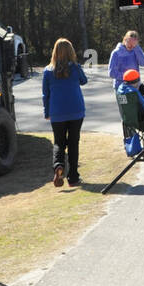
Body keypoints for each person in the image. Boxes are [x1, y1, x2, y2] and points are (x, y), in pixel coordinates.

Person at [43, 37, 88, 187]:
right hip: (76, 110)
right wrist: (77, 66)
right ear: (71, 52)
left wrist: (47, 112)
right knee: (73, 143)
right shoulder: (75, 67)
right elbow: (84, 81)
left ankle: (58, 166)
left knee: (59, 142)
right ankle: (73, 177)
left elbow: (45, 94)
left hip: (57, 112)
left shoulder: (48, 71)